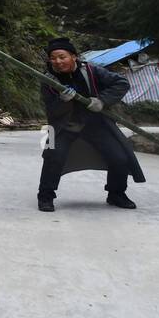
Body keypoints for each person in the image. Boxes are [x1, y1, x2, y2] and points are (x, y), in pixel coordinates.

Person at [38, 37, 144, 212]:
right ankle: (45, 196)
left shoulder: (92, 70)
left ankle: (116, 194)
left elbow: (121, 83)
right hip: (64, 126)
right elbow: (51, 111)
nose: (57, 61)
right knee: (52, 156)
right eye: (53, 58)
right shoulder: (48, 80)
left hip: (96, 124)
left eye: (62, 57)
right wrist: (63, 101)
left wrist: (102, 101)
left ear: (74, 56)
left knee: (120, 157)